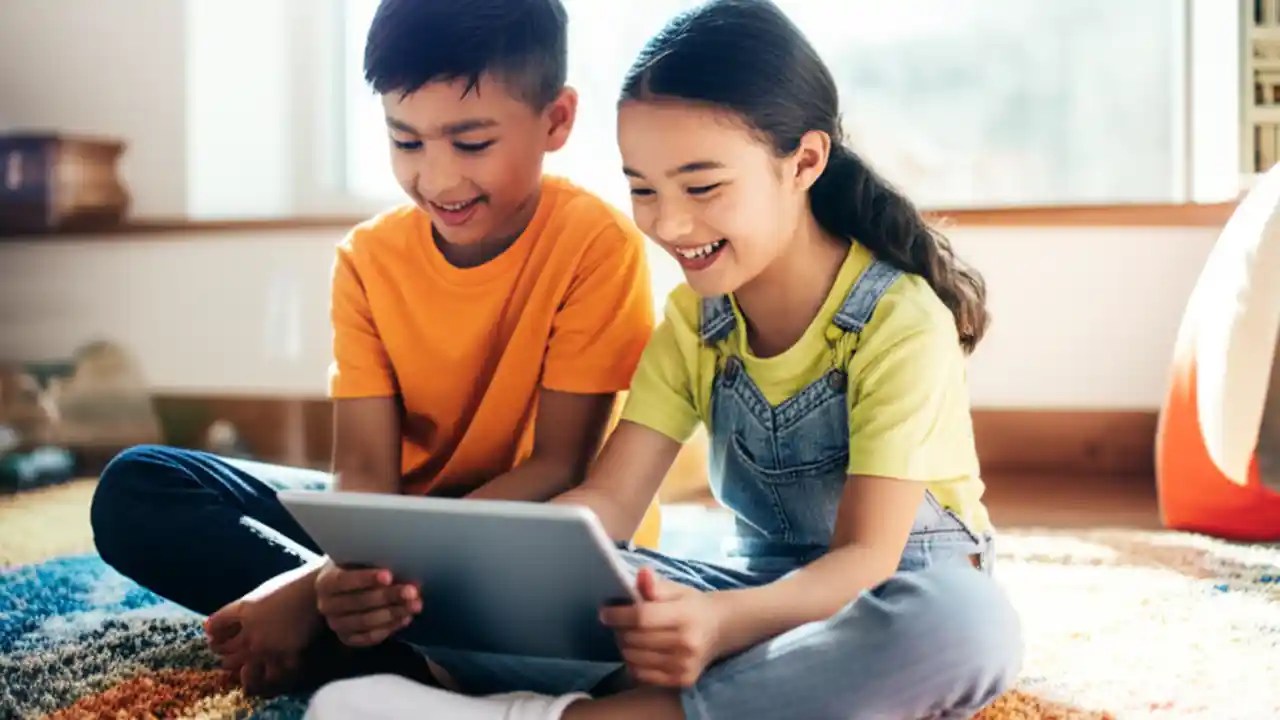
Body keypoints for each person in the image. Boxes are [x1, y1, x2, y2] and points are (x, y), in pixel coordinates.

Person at [305, 1, 1023, 718]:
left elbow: (866, 563)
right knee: (515, 592)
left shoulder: (899, 322)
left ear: (803, 161)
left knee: (967, 628)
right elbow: (609, 502)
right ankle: (744, 697)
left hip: (883, 597)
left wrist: (718, 627)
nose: (668, 224)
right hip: (744, 611)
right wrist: (466, 570)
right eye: (642, 189)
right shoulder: (693, 321)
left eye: (702, 186)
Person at [89, 0, 655, 697]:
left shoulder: (595, 246)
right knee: (137, 487)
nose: (438, 180)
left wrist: (309, 588)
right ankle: (403, 658)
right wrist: (340, 569)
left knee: (580, 623)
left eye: (472, 143)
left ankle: (367, 648)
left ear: (556, 121)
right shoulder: (367, 258)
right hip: (389, 542)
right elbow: (361, 474)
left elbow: (559, 467)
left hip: (525, 545)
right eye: (406, 141)